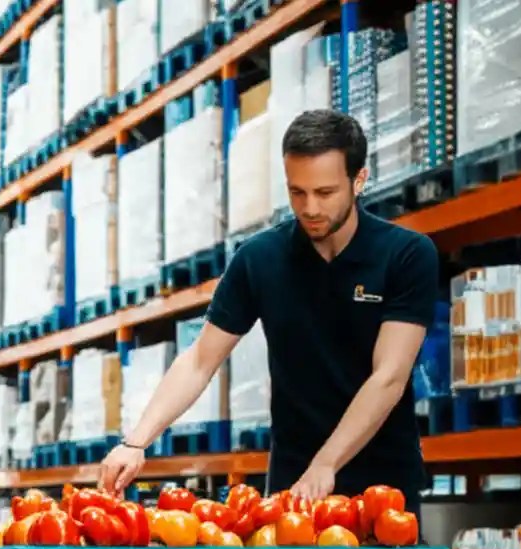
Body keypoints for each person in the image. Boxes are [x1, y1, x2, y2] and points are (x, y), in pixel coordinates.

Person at [100, 109, 438, 516]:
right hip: (293, 488)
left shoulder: (406, 256)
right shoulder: (260, 259)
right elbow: (200, 361)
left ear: (359, 180)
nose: (310, 207)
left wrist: (326, 463)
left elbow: (389, 376)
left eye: (325, 193)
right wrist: (136, 441)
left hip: (384, 491)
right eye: (298, 192)